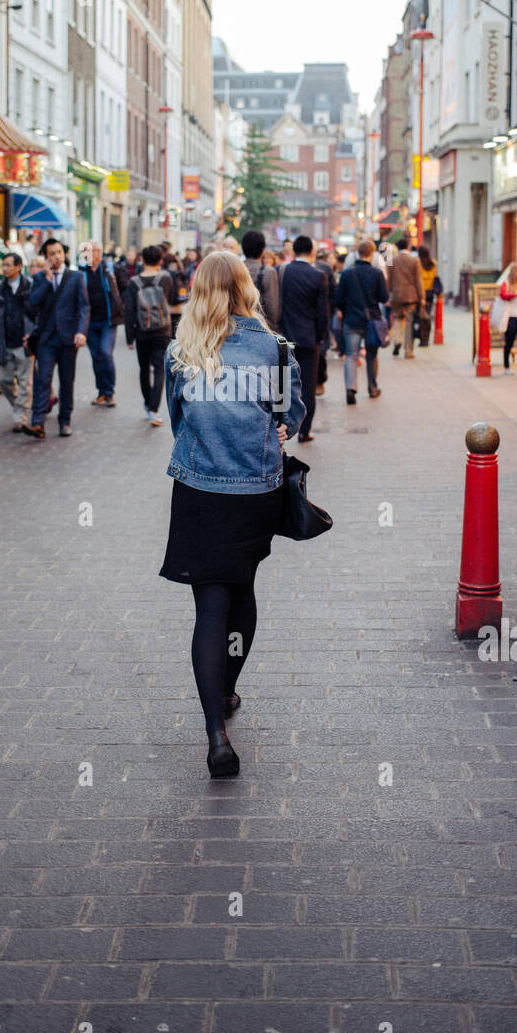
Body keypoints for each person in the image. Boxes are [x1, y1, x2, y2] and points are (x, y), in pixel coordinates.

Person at [160, 251, 306, 777]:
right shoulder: (272, 347)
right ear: (248, 288)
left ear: (198, 290)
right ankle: (226, 692)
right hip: (253, 492)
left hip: (199, 491)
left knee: (209, 609)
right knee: (242, 596)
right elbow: (292, 414)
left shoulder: (182, 350)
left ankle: (215, 732)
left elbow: (177, 420)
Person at [24, 239, 89, 439]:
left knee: (67, 382)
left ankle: (65, 421)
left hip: (69, 337)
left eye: (59, 252)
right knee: (42, 379)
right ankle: (38, 423)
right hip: (46, 339)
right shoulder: (40, 278)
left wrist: (81, 331)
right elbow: (32, 305)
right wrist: (46, 278)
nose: (56, 256)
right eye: (52, 253)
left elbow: (84, 306)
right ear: (46, 257)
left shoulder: (76, 276)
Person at [279, 235, 329, 442]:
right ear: (311, 252)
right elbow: (322, 313)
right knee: (307, 385)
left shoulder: (282, 272)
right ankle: (304, 430)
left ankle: (281, 427)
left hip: (285, 338)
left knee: (283, 384)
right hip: (309, 338)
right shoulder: (319, 276)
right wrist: (320, 338)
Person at [0, 252, 34, 432]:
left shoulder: (31, 287)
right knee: (4, 380)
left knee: (24, 383)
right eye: (3, 265)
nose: (4, 269)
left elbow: (39, 314)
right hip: (3, 344)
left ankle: (21, 417)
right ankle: (22, 407)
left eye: (8, 265)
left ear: (18, 267)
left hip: (24, 344)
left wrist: (33, 336)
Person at [124, 244, 174, 426]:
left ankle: (148, 404)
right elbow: (172, 300)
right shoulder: (165, 278)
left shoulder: (134, 282)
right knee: (160, 369)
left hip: (142, 332)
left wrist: (129, 337)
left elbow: (129, 311)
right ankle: (154, 408)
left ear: (142, 260)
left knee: (144, 369)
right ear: (160, 260)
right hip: (162, 330)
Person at [335, 237, 389, 403]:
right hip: (372, 320)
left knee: (351, 355)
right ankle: (372, 388)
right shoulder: (377, 273)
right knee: (372, 355)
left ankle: (351, 389)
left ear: (357, 253)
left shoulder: (346, 273)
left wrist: (344, 311)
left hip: (352, 320)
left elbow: (339, 299)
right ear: (372, 254)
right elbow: (384, 297)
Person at [80, 240, 123, 408]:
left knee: (105, 354)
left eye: (96, 250)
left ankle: (109, 392)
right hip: (89, 323)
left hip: (108, 321)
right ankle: (101, 392)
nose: (93, 254)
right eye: (89, 251)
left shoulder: (109, 270)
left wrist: (121, 308)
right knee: (96, 357)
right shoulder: (81, 272)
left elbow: (125, 287)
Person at [389, 238, 424, 358]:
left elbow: (388, 280)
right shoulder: (414, 261)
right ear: (408, 247)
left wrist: (388, 295)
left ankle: (397, 340)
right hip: (411, 296)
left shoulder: (392, 261)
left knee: (397, 319)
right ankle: (408, 350)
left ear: (397, 248)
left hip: (397, 295)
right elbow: (418, 281)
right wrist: (422, 297)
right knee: (409, 322)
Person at [241, 229, 281, 331]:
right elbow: (272, 309)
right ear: (263, 250)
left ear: (243, 248)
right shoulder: (268, 272)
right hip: (259, 328)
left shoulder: (233, 269)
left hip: (236, 327)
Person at [314, 245, 336, 394]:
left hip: (322, 316)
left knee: (321, 351)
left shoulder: (325, 269)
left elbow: (333, 292)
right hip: (304, 318)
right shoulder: (290, 268)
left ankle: (320, 380)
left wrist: (330, 313)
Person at [162, 251, 189, 336]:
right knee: (175, 333)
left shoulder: (164, 273)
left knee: (166, 333)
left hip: (167, 307)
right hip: (178, 306)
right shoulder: (180, 272)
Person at [417, 246, 439, 346]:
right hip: (430, 292)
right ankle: (426, 338)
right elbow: (435, 277)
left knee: (420, 316)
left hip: (420, 293)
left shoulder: (418, 263)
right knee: (427, 316)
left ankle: (421, 338)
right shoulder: (434, 263)